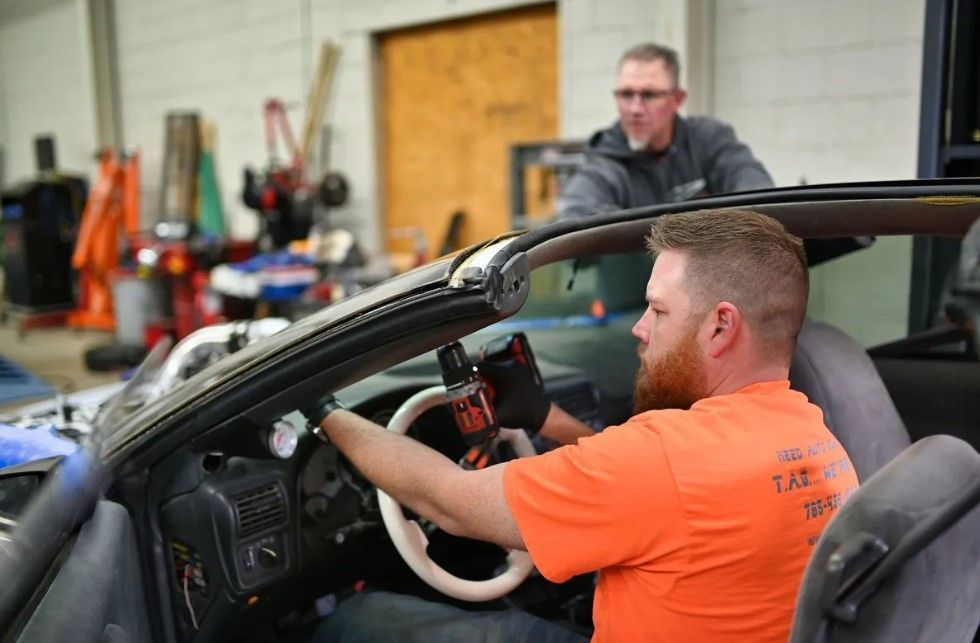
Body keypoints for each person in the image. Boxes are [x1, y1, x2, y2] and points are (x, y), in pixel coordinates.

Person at [304, 209, 859, 642]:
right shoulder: (819, 441)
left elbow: (450, 503)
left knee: (364, 619)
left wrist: (329, 416)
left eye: (659, 311)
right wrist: (548, 420)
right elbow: (663, 498)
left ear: (720, 328)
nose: (640, 329)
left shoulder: (666, 457)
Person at [557, 43, 773, 220]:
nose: (635, 108)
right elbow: (575, 217)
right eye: (626, 94)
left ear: (677, 99)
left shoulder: (707, 138)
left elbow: (755, 189)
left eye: (649, 95)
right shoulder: (604, 163)